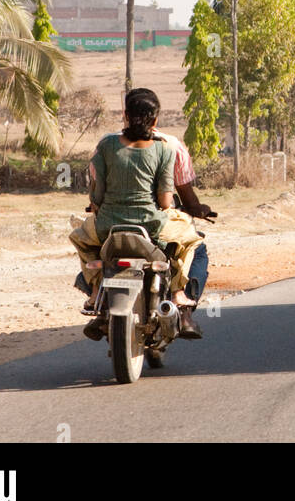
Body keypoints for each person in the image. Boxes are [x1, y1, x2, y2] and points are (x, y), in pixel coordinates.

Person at [69, 89, 208, 341]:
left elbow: (96, 196)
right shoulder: (166, 148)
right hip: (151, 226)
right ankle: (178, 293)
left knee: (80, 238)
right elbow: (167, 201)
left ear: (125, 116)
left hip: (107, 227)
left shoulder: (106, 145)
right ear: (155, 119)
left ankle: (95, 290)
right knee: (192, 241)